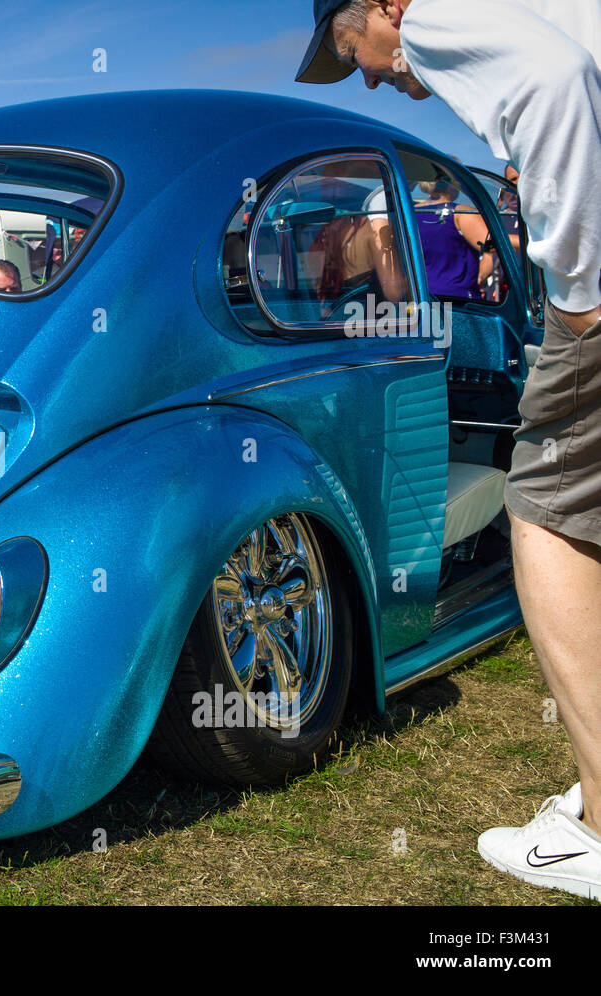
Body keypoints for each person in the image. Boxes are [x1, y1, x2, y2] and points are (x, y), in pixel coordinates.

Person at [296, 0, 601, 900]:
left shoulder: (434, 18)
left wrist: (578, 298)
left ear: (385, 7)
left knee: (542, 510)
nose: (372, 73)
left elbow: (551, 88)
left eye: (356, 52)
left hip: (592, 306)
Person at [412, 177, 493, 300]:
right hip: (458, 299)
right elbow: (491, 246)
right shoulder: (461, 212)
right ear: (452, 184)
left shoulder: (410, 213)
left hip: (418, 296)